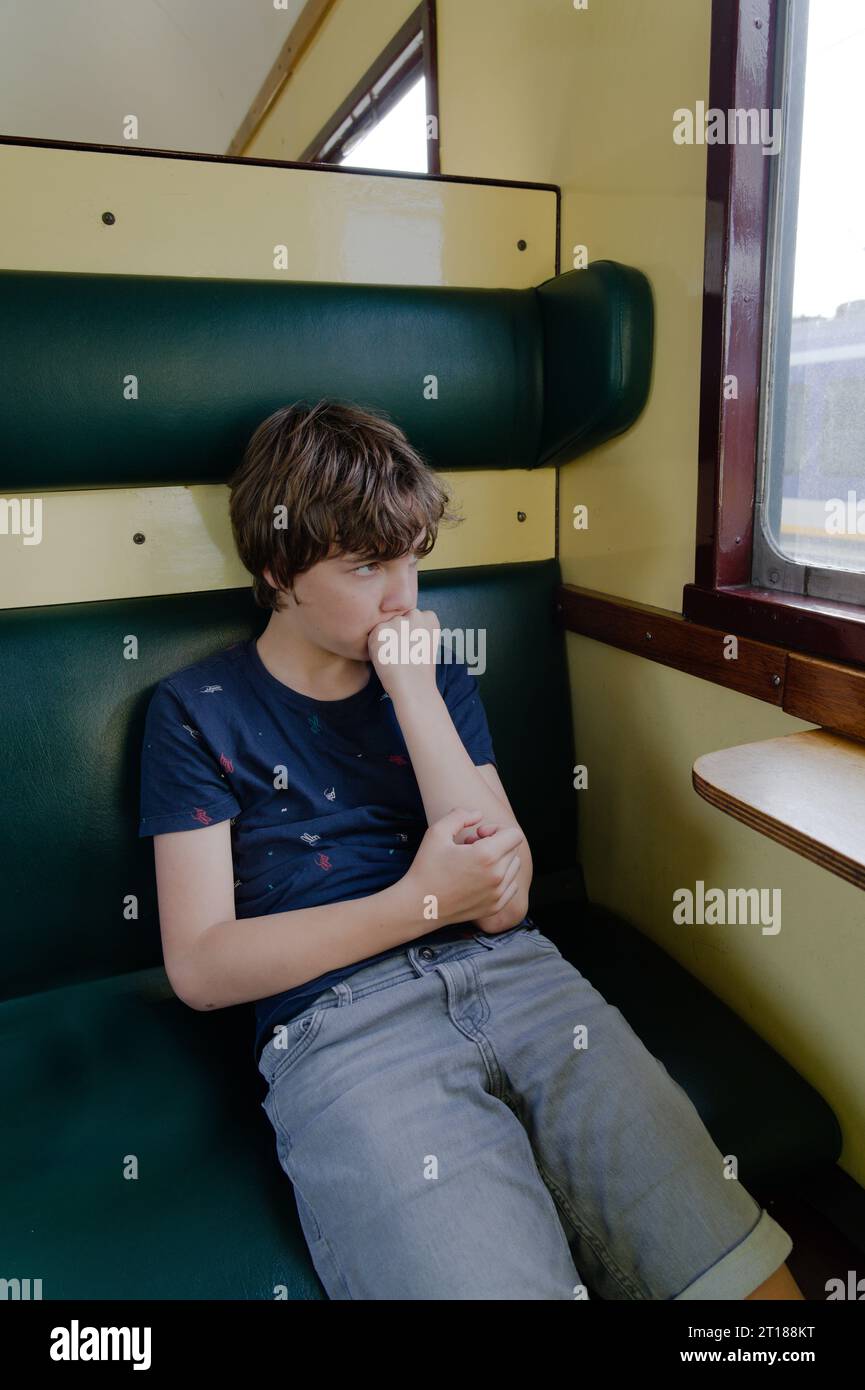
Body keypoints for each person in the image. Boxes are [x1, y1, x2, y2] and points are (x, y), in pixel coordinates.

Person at [138, 398, 804, 1301]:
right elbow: (202, 965)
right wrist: (417, 900)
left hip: (520, 977)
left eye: (412, 559)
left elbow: (503, 900)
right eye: (366, 565)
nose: (402, 596)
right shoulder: (195, 711)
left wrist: (411, 694)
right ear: (276, 569)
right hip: (342, 1030)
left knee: (734, 1273)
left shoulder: (433, 672)